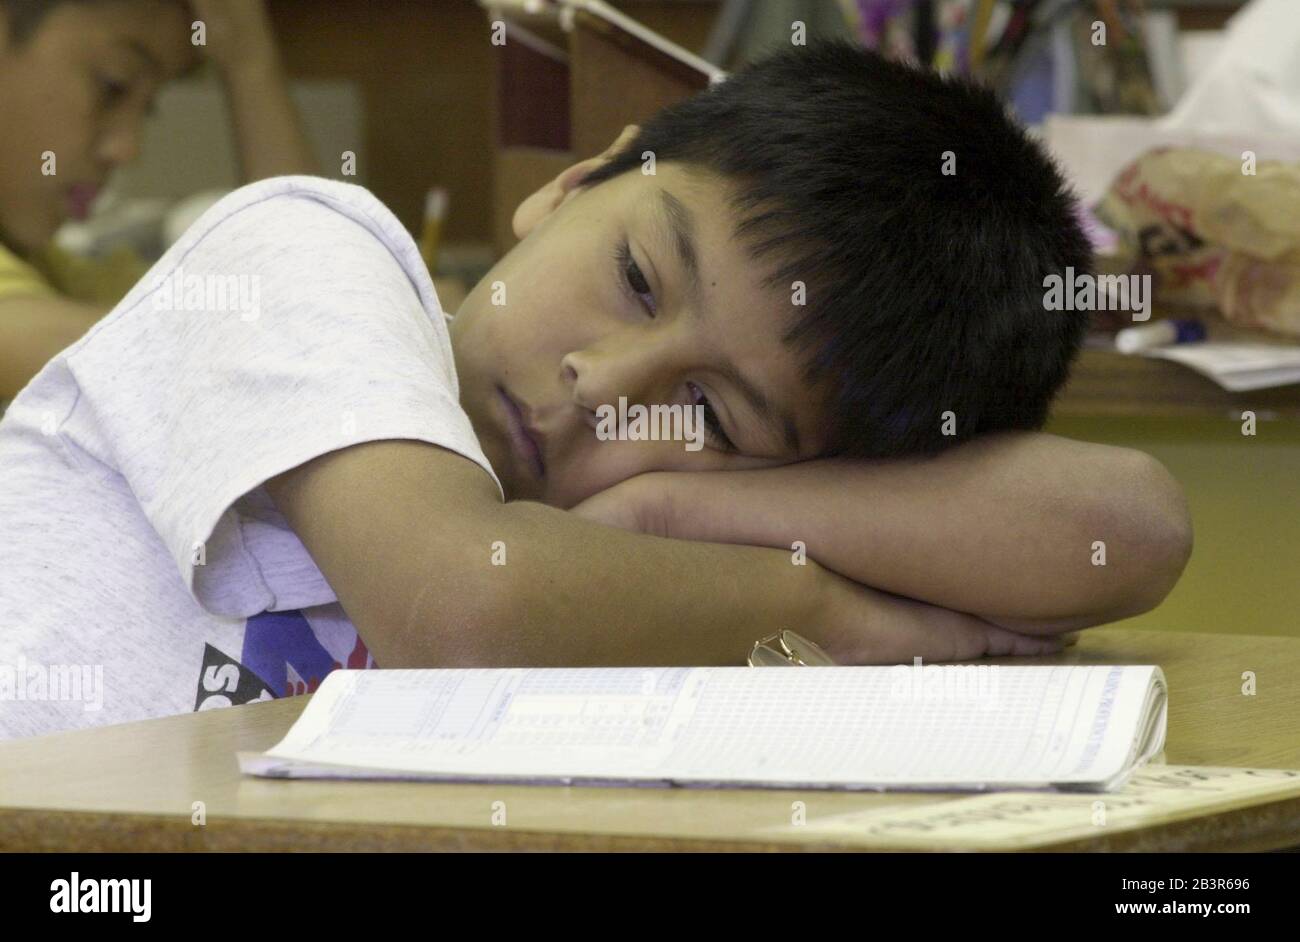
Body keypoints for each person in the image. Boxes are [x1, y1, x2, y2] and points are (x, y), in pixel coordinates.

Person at [0, 41, 1192, 739]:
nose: (604, 388)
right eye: (633, 276)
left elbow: (1124, 526)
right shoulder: (312, 251)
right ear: (572, 185)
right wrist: (828, 612)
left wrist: (673, 513)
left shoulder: (625, 526)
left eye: (713, 414)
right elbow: (463, 613)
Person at [0, 0, 318, 400]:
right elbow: (298, 336)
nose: (128, 149)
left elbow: (307, 290)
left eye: (147, 109)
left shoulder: (54, 277)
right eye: (112, 85)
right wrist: (251, 64)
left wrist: (247, 58)